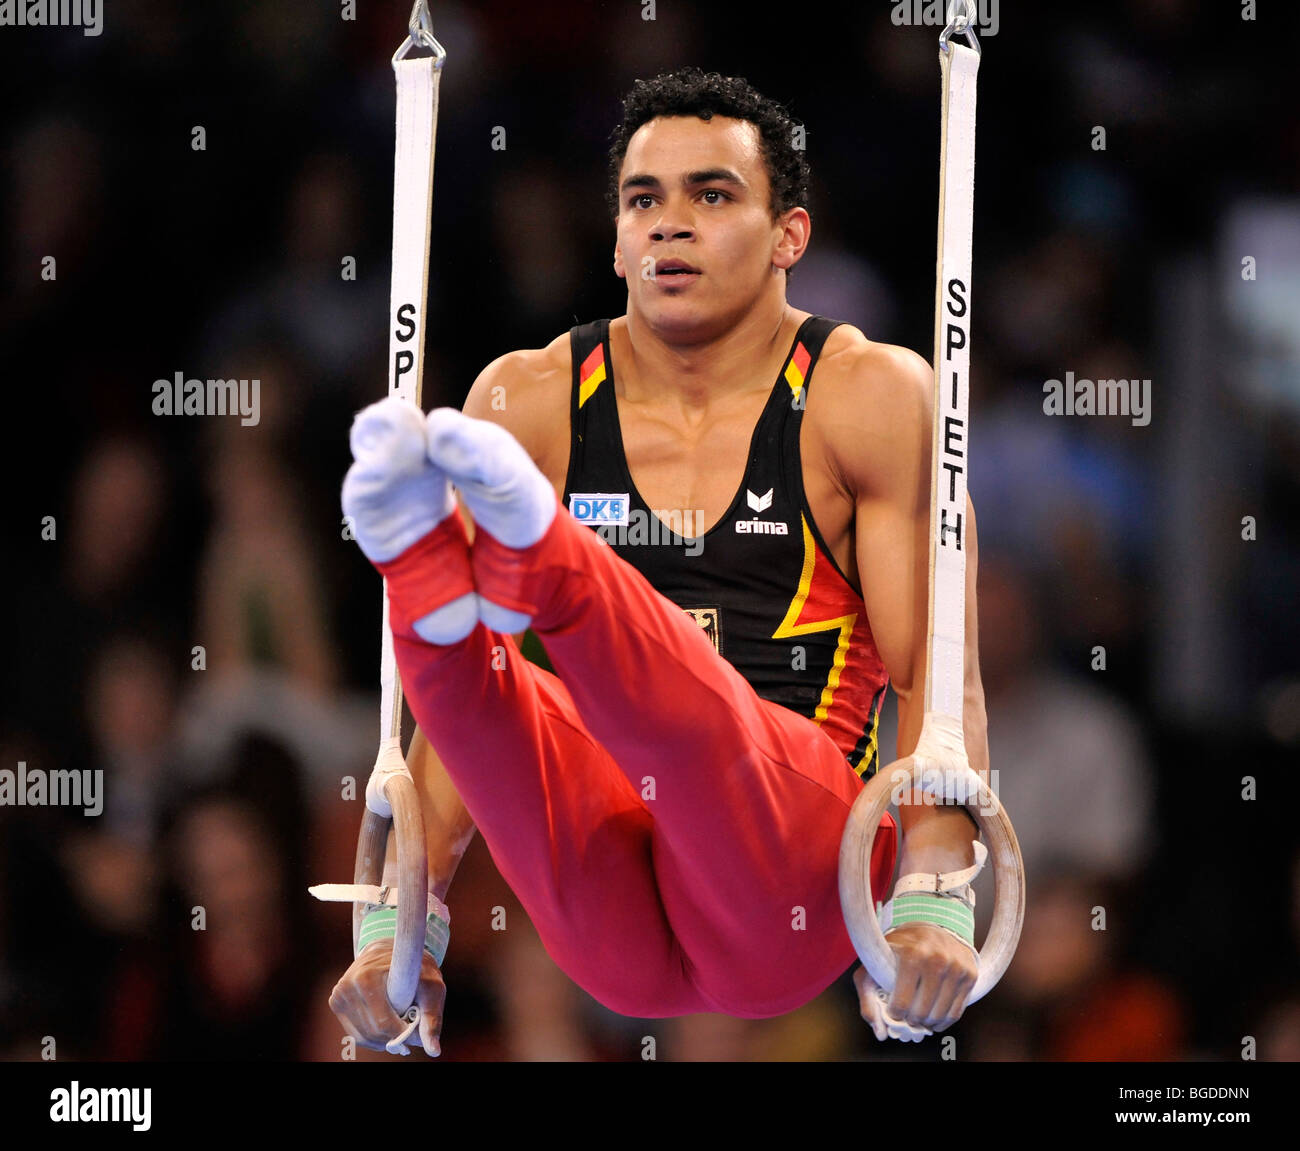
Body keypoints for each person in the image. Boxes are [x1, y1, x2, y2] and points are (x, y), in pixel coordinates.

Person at [329, 68, 989, 1057]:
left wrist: (932, 894)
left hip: (790, 880)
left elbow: (936, 680)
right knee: (490, 677)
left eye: (710, 195)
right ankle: (432, 567)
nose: (669, 225)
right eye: (644, 199)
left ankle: (541, 560)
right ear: (615, 238)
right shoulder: (533, 396)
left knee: (689, 716)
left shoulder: (868, 396)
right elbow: (469, 744)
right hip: (608, 922)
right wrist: (397, 922)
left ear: (788, 236)